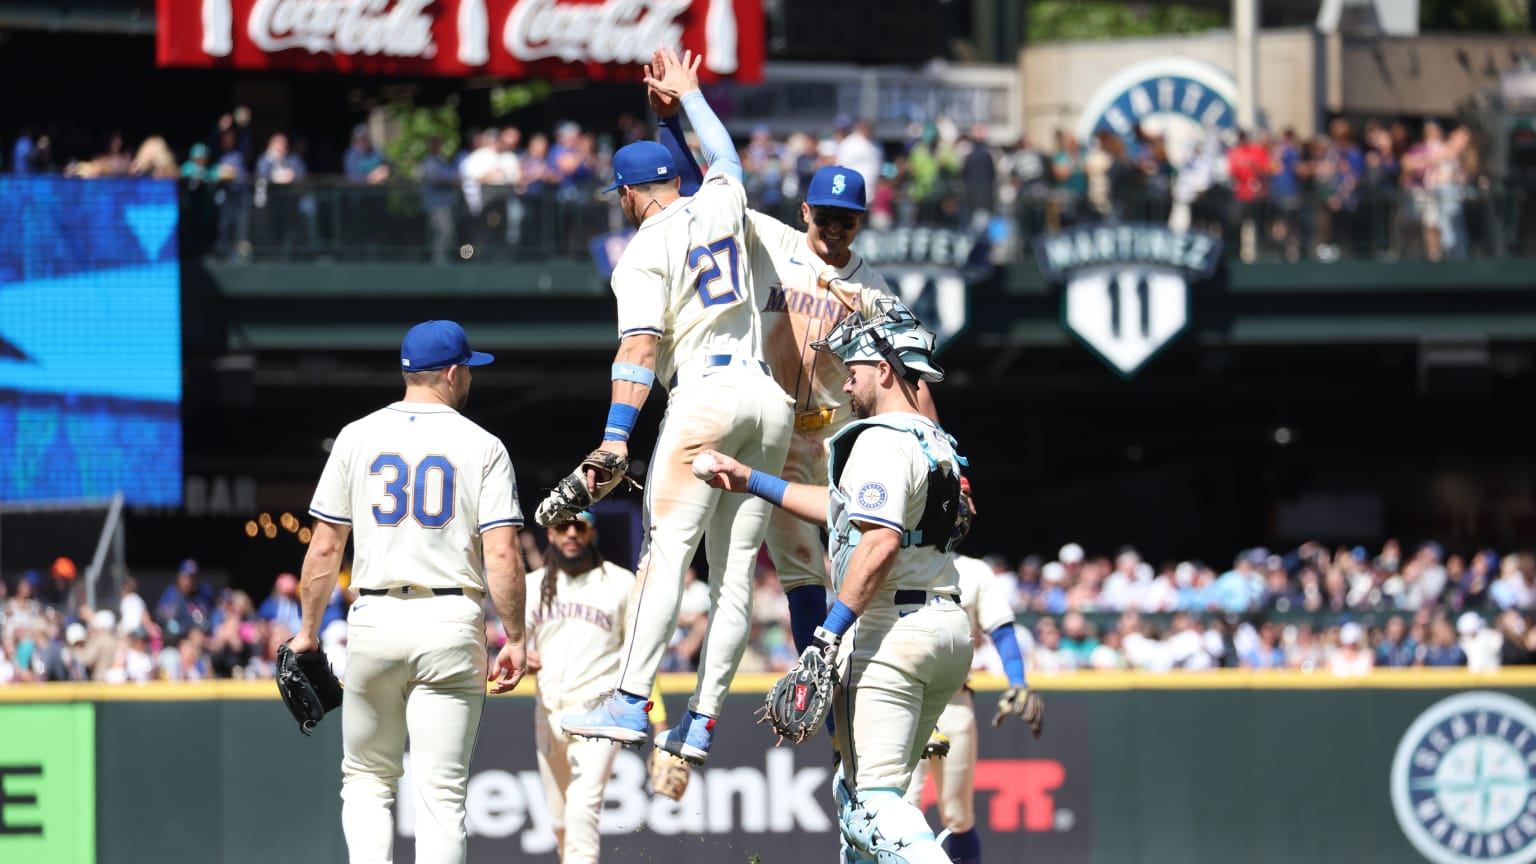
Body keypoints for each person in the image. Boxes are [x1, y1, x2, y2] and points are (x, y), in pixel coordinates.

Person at [556, 48, 793, 767]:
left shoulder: (638, 252)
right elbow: (722, 155)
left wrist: (614, 437)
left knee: (667, 558)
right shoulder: (719, 202)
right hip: (767, 399)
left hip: (705, 397)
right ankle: (702, 723)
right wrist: (685, 102)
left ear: (628, 196)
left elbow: (637, 348)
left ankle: (630, 700)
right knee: (734, 574)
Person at [651, 79, 938, 660]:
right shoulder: (768, 240)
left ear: (861, 222)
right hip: (773, 431)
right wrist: (670, 122)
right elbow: (701, 193)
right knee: (801, 567)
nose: (833, 231)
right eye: (825, 218)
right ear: (805, 210)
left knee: (855, 561)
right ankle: (817, 688)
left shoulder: (875, 289)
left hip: (834, 439)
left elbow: (914, 379)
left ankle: (858, 678)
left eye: (846, 221)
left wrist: (939, 453)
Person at [695, 304, 968, 863]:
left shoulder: (879, 439)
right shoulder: (933, 439)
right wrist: (750, 479)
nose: (846, 382)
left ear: (885, 371)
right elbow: (846, 512)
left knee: (871, 802)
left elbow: (878, 541)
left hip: (892, 632)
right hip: (944, 625)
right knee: (860, 804)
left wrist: (826, 635)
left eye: (855, 369)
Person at [287, 319, 529, 864]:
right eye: (467, 369)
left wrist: (306, 631)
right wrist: (515, 635)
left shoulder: (356, 435)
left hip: (374, 615)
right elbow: (502, 555)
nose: (469, 377)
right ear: (451, 373)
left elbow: (326, 547)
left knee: (367, 780)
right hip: (449, 618)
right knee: (440, 795)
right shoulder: (483, 445)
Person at [904, 480, 1041, 864]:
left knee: (957, 814)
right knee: (899, 808)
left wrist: (1018, 680)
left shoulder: (975, 571)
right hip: (904, 697)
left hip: (953, 701)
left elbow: (1001, 627)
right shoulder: (896, 558)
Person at [525, 509, 642, 863]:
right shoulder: (532, 585)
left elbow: (639, 656)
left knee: (581, 809)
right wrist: (519, 655)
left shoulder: (621, 582)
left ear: (592, 532)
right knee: (560, 821)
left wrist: (658, 718)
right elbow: (513, 647)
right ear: (550, 534)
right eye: (563, 526)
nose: (571, 533)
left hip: (599, 713)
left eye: (580, 526)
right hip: (548, 713)